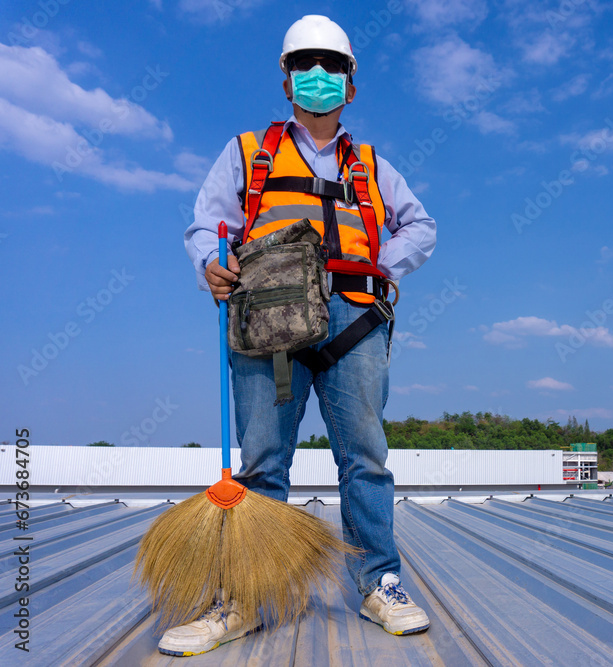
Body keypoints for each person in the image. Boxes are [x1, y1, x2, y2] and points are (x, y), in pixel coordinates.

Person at [173, 14, 436, 657]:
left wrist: (382, 265)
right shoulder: (248, 152)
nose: (318, 76)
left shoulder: (372, 165)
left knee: (366, 457)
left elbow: (420, 227)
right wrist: (212, 260)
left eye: (332, 65)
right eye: (304, 65)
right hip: (269, 317)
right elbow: (206, 224)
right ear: (286, 80)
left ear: (351, 83)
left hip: (355, 320)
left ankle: (380, 582)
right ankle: (245, 596)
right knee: (262, 460)